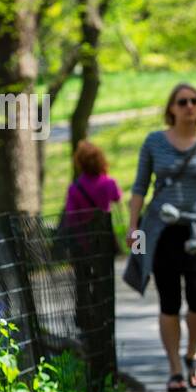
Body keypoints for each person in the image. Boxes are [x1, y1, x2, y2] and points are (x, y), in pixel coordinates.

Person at [124, 83, 196, 392]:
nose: (189, 106)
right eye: (182, 102)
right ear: (171, 108)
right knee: (169, 301)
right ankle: (174, 368)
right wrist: (134, 228)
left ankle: (192, 352)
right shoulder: (154, 142)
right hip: (161, 231)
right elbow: (138, 188)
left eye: (195, 102)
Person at [62, 140, 122, 366]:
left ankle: (86, 317)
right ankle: (103, 311)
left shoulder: (75, 188)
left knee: (82, 280)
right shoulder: (108, 183)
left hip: (81, 242)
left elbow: (70, 215)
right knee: (103, 278)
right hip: (103, 241)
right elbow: (118, 197)